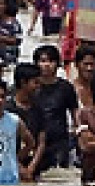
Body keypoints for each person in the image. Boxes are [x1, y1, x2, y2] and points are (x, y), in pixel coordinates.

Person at [33, 44, 79, 173]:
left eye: (51, 61)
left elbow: (75, 112)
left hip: (59, 142)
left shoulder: (65, 88)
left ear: (57, 64)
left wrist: (79, 132)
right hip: (35, 141)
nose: (47, 65)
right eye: (42, 61)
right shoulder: (31, 87)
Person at [7, 62, 47, 182]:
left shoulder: (38, 108)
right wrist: (20, 168)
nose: (38, 86)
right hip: (10, 169)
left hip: (34, 168)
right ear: (23, 83)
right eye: (35, 82)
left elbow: (41, 142)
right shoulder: (7, 109)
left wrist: (31, 168)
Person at [72, 45, 95, 109]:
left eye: (91, 64)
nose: (89, 68)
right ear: (76, 64)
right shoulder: (71, 89)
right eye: (86, 64)